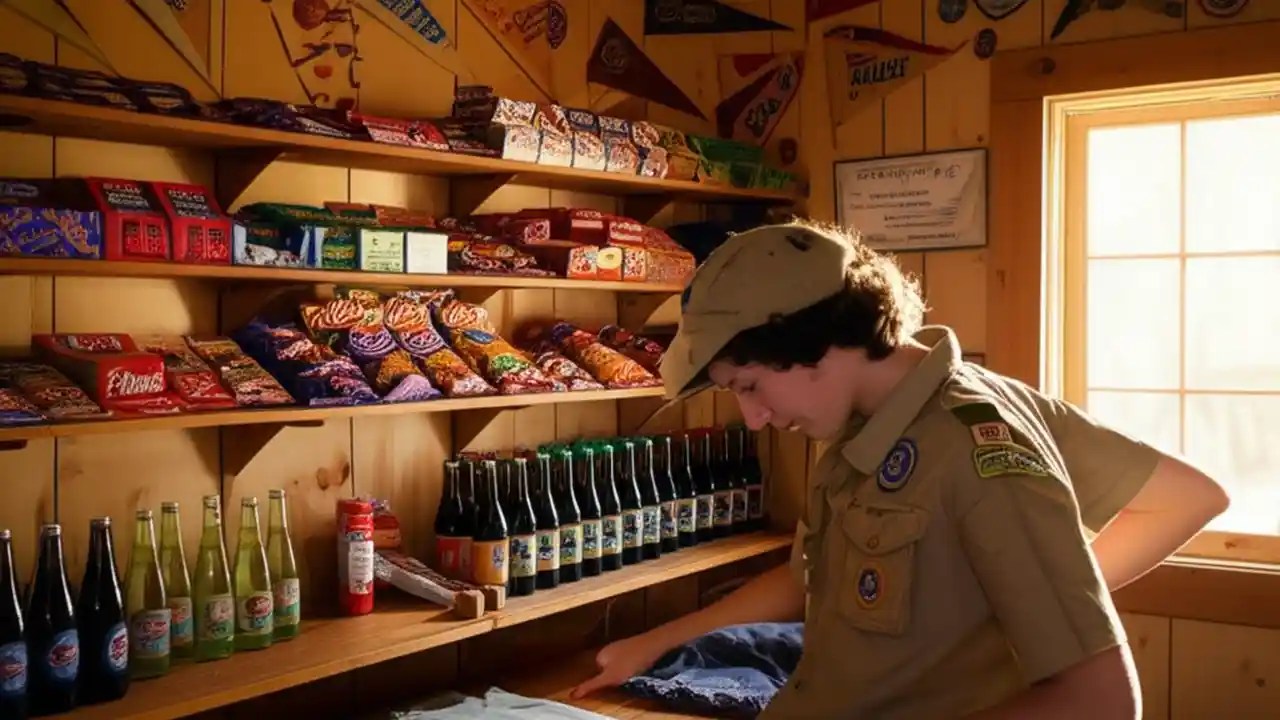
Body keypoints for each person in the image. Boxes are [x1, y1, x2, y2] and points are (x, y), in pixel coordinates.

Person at [571, 220, 1228, 718]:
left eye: (749, 385)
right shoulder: (861, 425)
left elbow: (1101, 701)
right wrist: (654, 642)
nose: (755, 418)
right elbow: (806, 582)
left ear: (819, 346)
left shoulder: (977, 451)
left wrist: (1039, 606)